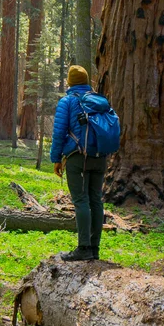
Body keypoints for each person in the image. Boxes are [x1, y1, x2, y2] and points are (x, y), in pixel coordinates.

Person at [50, 64, 106, 262]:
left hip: (77, 158)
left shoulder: (67, 101)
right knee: (95, 200)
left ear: (70, 82)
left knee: (81, 200)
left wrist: (56, 158)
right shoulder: (99, 100)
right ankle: (95, 248)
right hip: (100, 157)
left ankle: (84, 248)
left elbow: (59, 133)